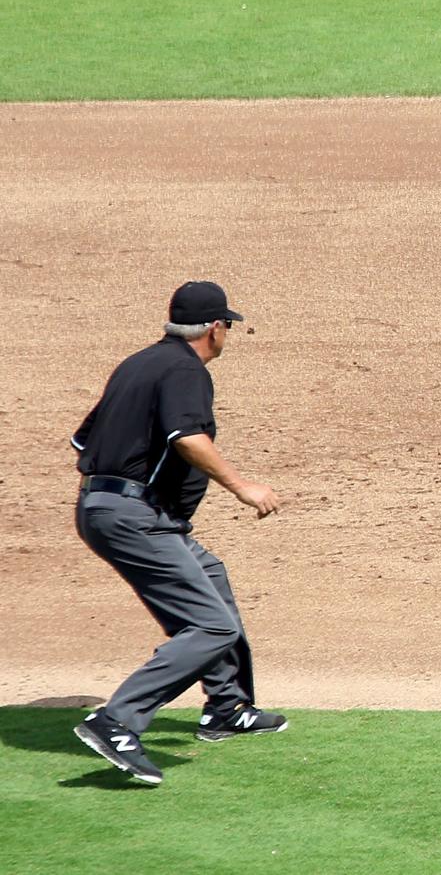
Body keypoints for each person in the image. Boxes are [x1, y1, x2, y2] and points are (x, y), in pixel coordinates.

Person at [70, 281, 288, 786]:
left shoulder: (137, 365)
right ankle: (117, 721)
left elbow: (82, 440)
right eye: (227, 325)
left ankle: (227, 707)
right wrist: (244, 487)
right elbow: (187, 438)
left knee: (212, 577)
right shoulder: (186, 370)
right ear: (216, 328)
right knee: (212, 626)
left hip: (112, 506)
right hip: (134, 515)